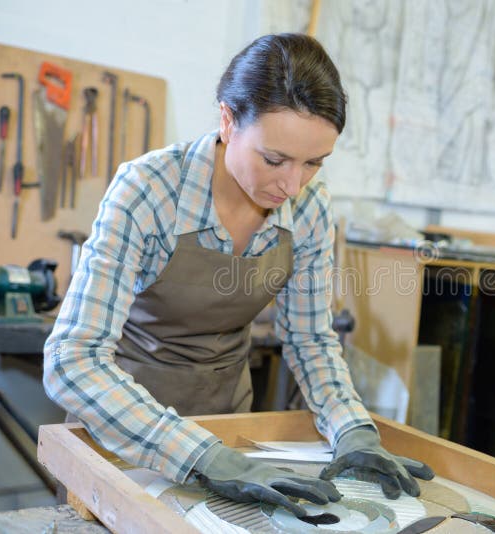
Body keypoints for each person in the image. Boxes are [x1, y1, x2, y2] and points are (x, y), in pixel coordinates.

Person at [43, 33, 433, 518]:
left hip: (233, 437)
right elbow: (72, 360)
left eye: (314, 162)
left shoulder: (309, 207)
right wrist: (202, 456)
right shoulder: (147, 191)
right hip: (122, 437)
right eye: (274, 159)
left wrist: (353, 429)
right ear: (227, 120)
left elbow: (310, 339)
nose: (292, 184)